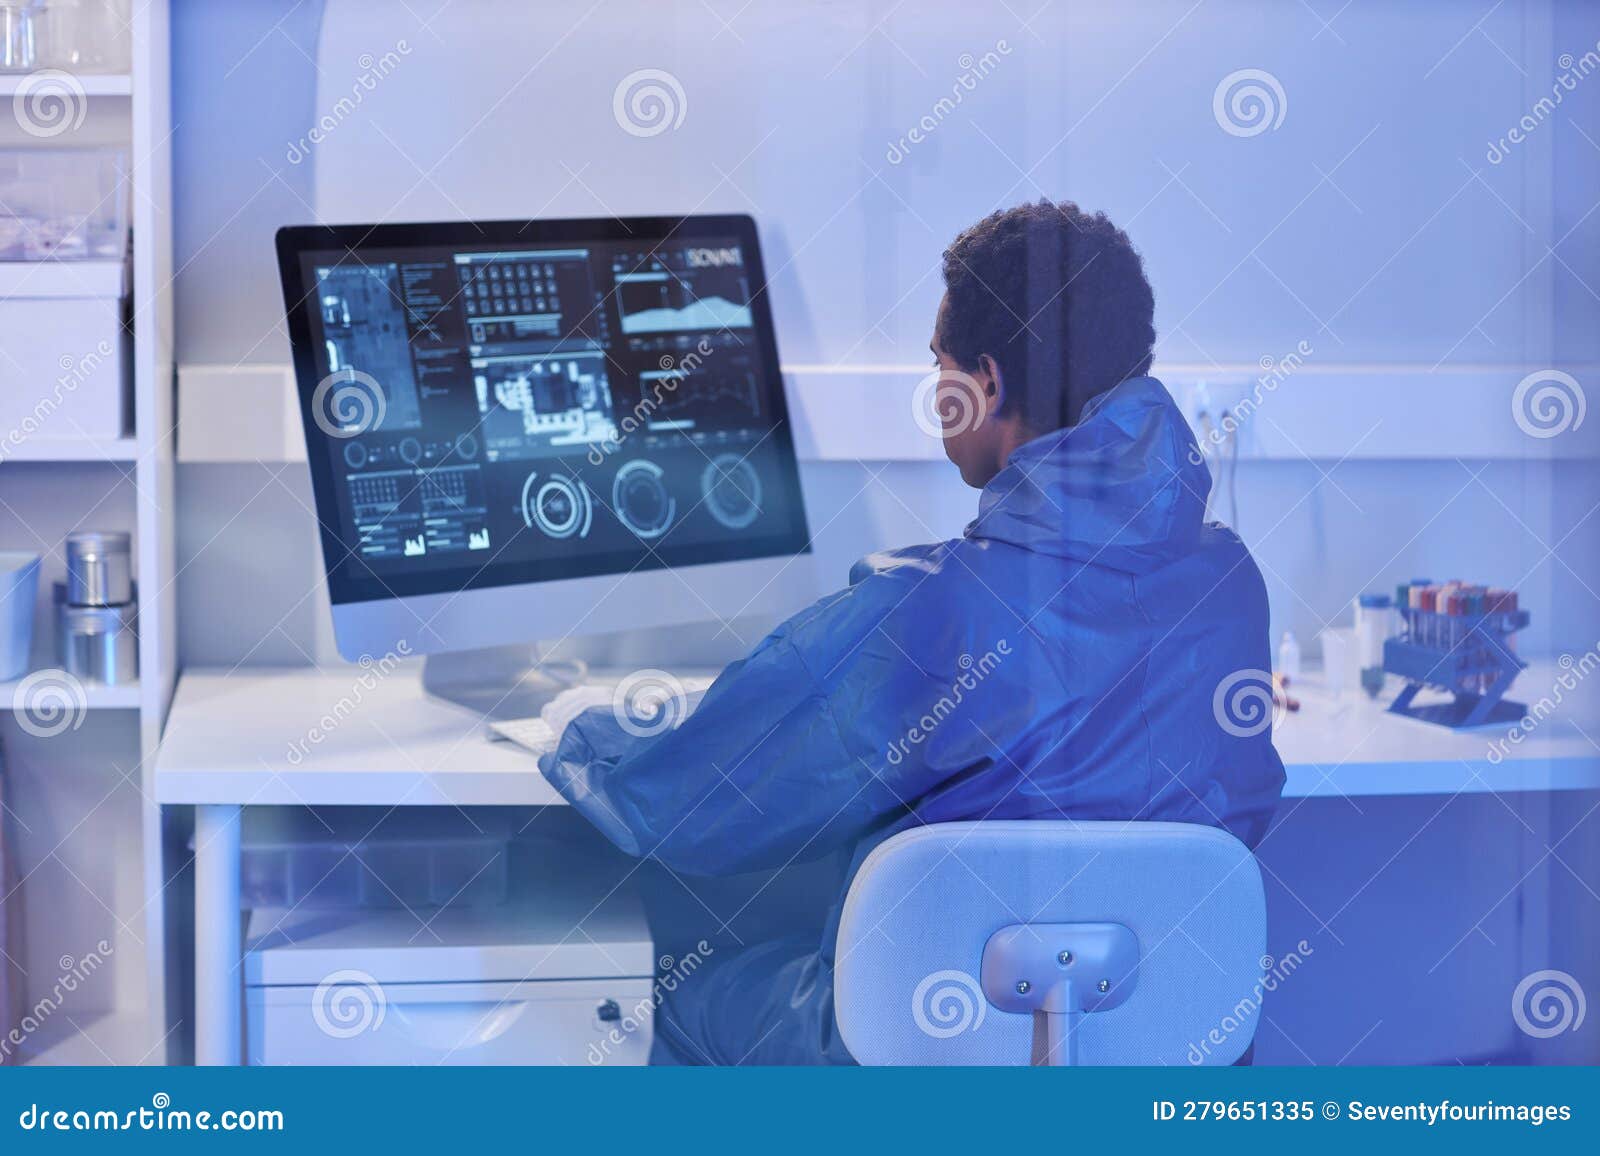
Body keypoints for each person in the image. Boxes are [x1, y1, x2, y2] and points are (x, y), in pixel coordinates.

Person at [540, 200, 1286, 1065]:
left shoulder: (931, 612)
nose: (935, 390)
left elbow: (695, 804)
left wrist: (582, 730)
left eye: (937, 364)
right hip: (1161, 1049)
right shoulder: (1231, 586)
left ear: (988, 382)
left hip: (920, 1059)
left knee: (675, 995)